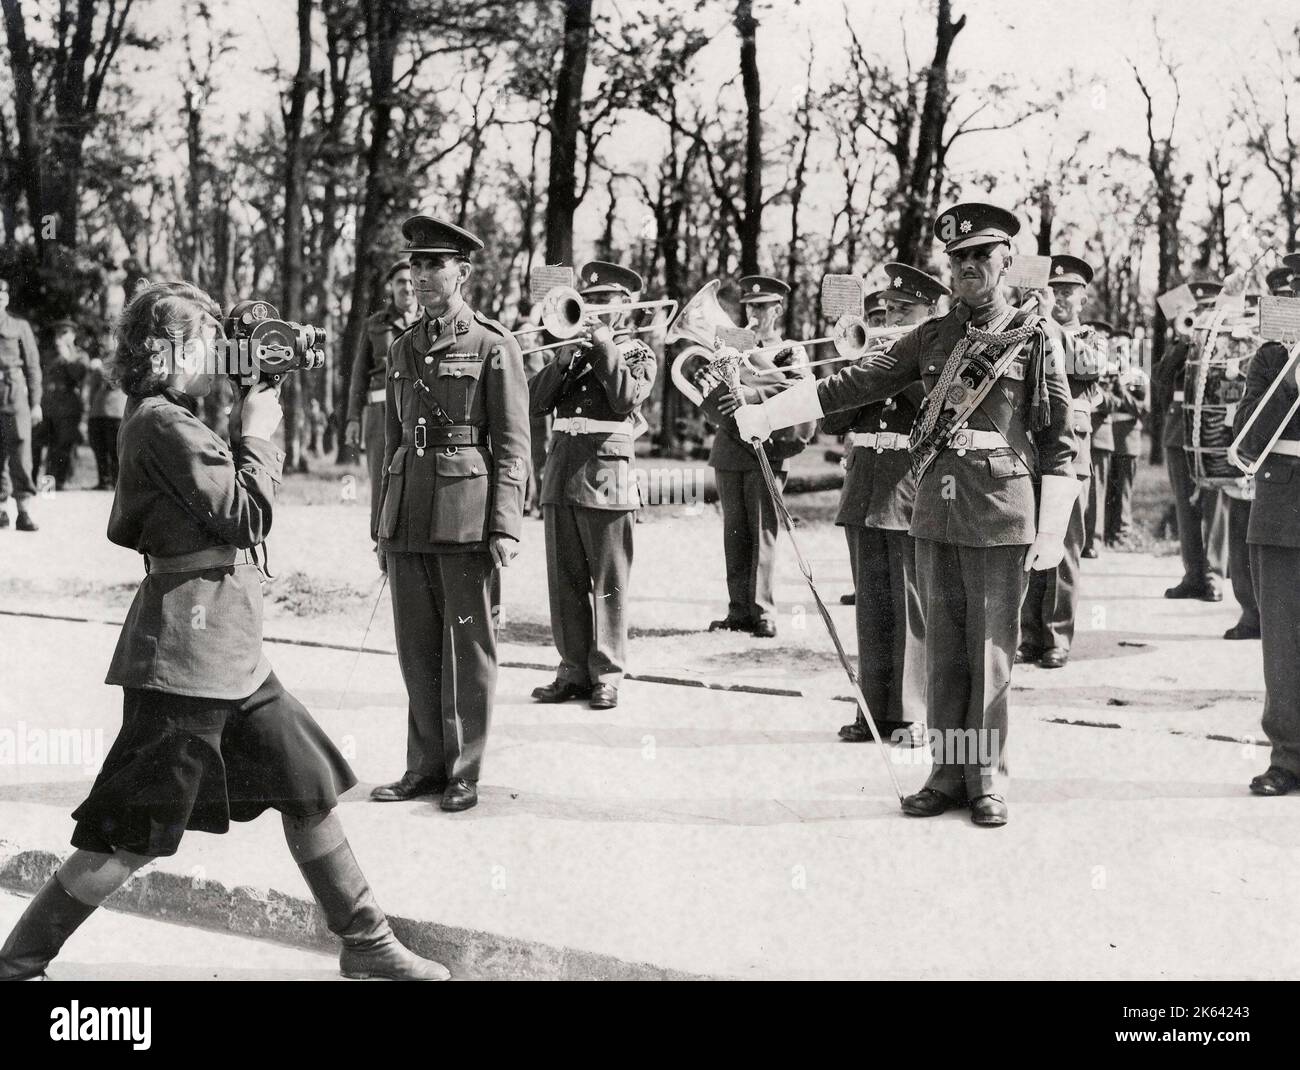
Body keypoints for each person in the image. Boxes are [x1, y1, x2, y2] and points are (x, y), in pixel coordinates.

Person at [0, 281, 447, 981]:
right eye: (208, 343)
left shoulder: (176, 416)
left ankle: (366, 943)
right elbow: (247, 516)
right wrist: (257, 432)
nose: (221, 357)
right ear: (166, 351)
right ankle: (18, 963)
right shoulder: (160, 423)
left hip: (229, 652)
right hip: (185, 658)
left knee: (305, 783)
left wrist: (248, 412)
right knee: (129, 838)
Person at [735, 203, 1077, 827]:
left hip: (1002, 509)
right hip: (934, 508)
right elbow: (856, 384)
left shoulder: (1034, 337)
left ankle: (986, 780)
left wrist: (1052, 530)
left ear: (1006, 260)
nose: (970, 266)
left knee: (990, 656)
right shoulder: (934, 335)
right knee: (945, 650)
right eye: (959, 258)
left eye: (982, 255)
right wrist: (767, 414)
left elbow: (1059, 439)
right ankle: (946, 775)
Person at [369, 216, 530, 814]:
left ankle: (464, 770)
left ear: (462, 272)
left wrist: (506, 525)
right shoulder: (402, 347)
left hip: (465, 515)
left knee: (467, 649)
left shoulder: (494, 344)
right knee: (416, 649)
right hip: (408, 512)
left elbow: (513, 444)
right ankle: (424, 765)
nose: (423, 275)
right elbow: (389, 443)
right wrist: (381, 524)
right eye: (416, 264)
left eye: (436, 264)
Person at [825, 263, 948, 748]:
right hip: (865, 490)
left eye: (904, 310)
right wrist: (862, 371)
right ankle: (873, 711)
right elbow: (836, 420)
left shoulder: (940, 357)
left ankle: (913, 713)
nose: (891, 317)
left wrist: (902, 368)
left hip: (908, 488)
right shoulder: (871, 360)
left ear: (930, 313)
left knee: (910, 609)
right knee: (871, 608)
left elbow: (940, 410)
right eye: (888, 310)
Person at [528, 261, 657, 711]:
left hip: (607, 472)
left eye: (608, 302)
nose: (598, 309)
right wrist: (561, 361)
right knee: (564, 580)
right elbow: (534, 403)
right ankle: (572, 670)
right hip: (563, 469)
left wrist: (603, 344)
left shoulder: (638, 352)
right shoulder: (569, 348)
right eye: (593, 300)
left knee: (608, 579)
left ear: (626, 307)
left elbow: (625, 398)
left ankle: (608, 672)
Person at [701, 275, 812, 639]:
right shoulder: (732, 342)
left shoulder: (790, 350)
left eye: (763, 306)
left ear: (777, 310)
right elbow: (710, 390)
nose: (755, 313)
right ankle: (738, 609)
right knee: (734, 533)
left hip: (769, 448)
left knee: (763, 531)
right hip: (731, 449)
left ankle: (763, 610)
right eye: (750, 306)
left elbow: (798, 392)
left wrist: (751, 393)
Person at [1018, 255, 1105, 669]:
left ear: (1083, 298)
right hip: (1028, 452)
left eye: (1068, 292)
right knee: (1026, 544)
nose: (1059, 298)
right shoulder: (1027, 331)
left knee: (1063, 547)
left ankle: (1057, 635)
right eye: (1054, 291)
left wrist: (1047, 323)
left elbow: (1086, 365)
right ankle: (1029, 635)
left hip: (1071, 457)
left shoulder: (1092, 338)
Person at [1232, 319, 1300, 795]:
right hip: (1283, 507)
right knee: (1283, 644)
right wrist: (1292, 381)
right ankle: (1288, 758)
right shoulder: (1273, 356)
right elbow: (1245, 441)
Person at [1155, 278, 1226, 601]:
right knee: (1186, 508)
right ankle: (1193, 574)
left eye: (1207, 309)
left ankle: (1212, 575)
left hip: (1211, 434)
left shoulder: (1224, 345)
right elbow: (1160, 379)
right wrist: (1183, 343)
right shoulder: (1180, 343)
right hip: (1178, 434)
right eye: (1194, 311)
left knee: (1213, 508)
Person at [344, 260, 420, 556]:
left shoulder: (430, 322)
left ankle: (412, 541)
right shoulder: (375, 324)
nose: (407, 287)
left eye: (411, 280)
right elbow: (358, 375)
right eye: (400, 281)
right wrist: (352, 417)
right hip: (379, 411)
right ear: (392, 286)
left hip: (416, 410)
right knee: (382, 474)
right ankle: (381, 543)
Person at [0, 278, 41, 531]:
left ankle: (23, 510)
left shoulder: (19, 326)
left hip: (14, 395)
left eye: (1, 294)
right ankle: (1, 510)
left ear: (6, 298)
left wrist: (36, 403)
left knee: (21, 449)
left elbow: (33, 366)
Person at [1104, 329, 1148, 546]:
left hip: (1127, 438)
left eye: (1122, 348)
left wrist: (1122, 391)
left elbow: (1142, 408)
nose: (1118, 352)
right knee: (1106, 489)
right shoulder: (1105, 372)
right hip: (1106, 436)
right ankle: (1105, 533)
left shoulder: (1138, 376)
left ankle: (1122, 534)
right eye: (1114, 348)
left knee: (1123, 491)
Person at [34, 319, 89, 490]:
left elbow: (78, 376)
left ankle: (58, 484)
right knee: (38, 444)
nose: (59, 336)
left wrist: (66, 356)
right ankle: (38, 484)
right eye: (58, 333)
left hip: (67, 406)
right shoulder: (48, 355)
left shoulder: (80, 355)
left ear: (73, 335)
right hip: (48, 404)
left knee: (62, 446)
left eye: (64, 333)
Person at [1081, 320, 1117, 558]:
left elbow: (1118, 402)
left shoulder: (1113, 369)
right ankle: (1080, 539)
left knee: (1097, 492)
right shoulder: (1077, 361)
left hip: (1101, 434)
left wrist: (1099, 396)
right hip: (1078, 431)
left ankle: (1094, 540)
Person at [86, 332, 127, 489]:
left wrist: (100, 370)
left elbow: (115, 383)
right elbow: (93, 388)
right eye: (102, 337)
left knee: (114, 449)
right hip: (98, 411)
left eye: (108, 337)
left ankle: (117, 483)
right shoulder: (100, 360)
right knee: (99, 448)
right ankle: (103, 481)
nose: (103, 341)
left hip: (115, 411)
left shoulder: (123, 358)